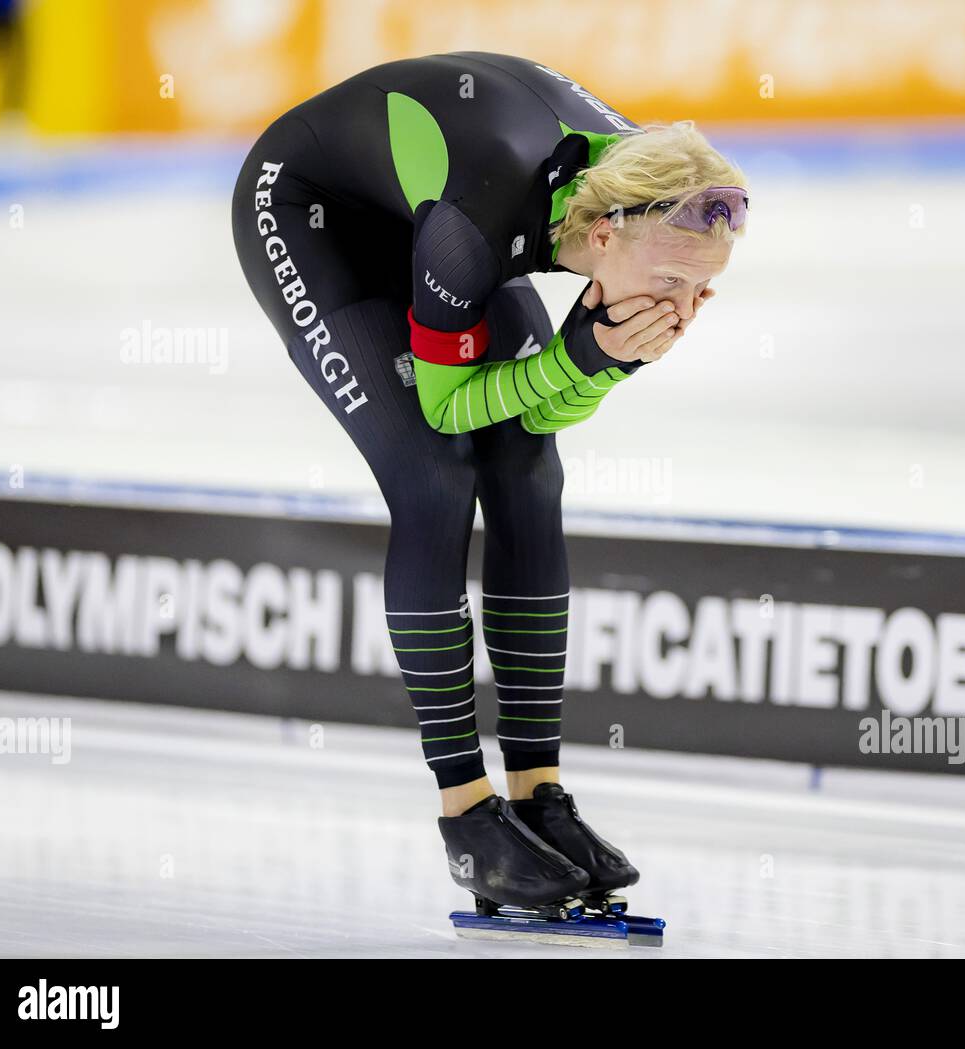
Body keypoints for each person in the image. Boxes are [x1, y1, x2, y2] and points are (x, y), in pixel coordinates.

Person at [231, 51, 747, 912]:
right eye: (670, 283)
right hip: (314, 213)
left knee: (527, 472)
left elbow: (537, 417)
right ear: (607, 237)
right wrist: (583, 355)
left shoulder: (647, 195)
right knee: (433, 475)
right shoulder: (484, 224)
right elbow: (447, 410)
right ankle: (467, 817)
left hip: (438, 202)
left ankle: (537, 797)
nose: (684, 310)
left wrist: (597, 365)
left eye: (704, 290)